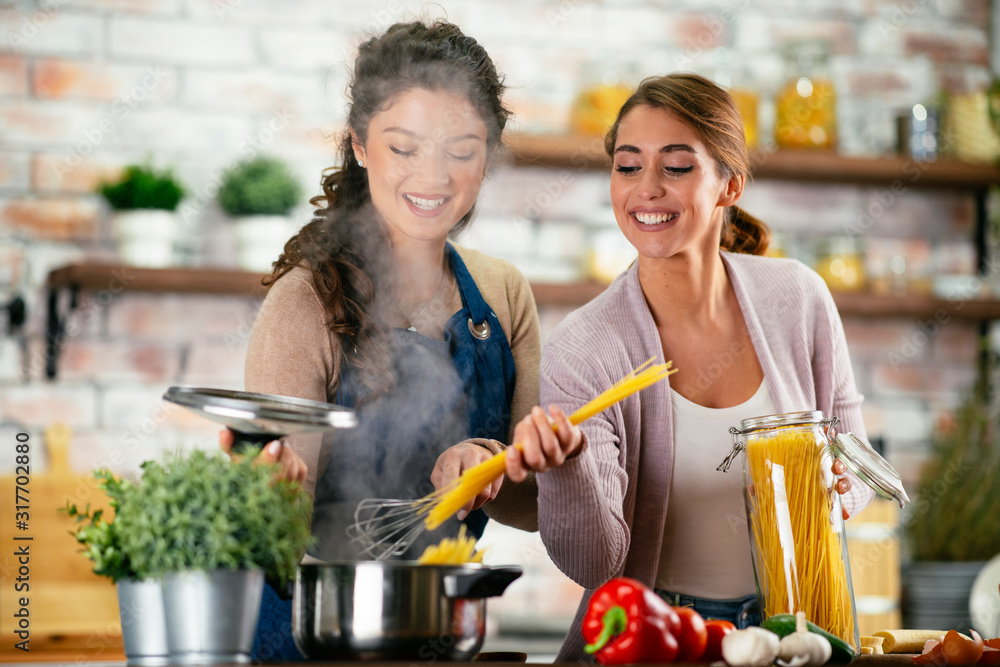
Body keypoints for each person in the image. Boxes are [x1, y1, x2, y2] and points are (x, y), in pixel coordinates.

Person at [499, 73, 875, 662]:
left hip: (799, 634)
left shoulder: (798, 298)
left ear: (730, 184)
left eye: (676, 167)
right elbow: (594, 564)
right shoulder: (585, 347)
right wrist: (567, 467)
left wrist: (841, 488)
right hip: (656, 637)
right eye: (628, 167)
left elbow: (858, 463)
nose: (646, 189)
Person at [222, 20, 542, 661]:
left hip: (442, 633)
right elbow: (274, 550)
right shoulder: (305, 302)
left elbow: (533, 510)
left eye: (462, 150)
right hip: (309, 637)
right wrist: (267, 492)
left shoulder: (502, 294)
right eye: (404, 148)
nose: (434, 176)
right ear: (361, 145)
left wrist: (492, 465)